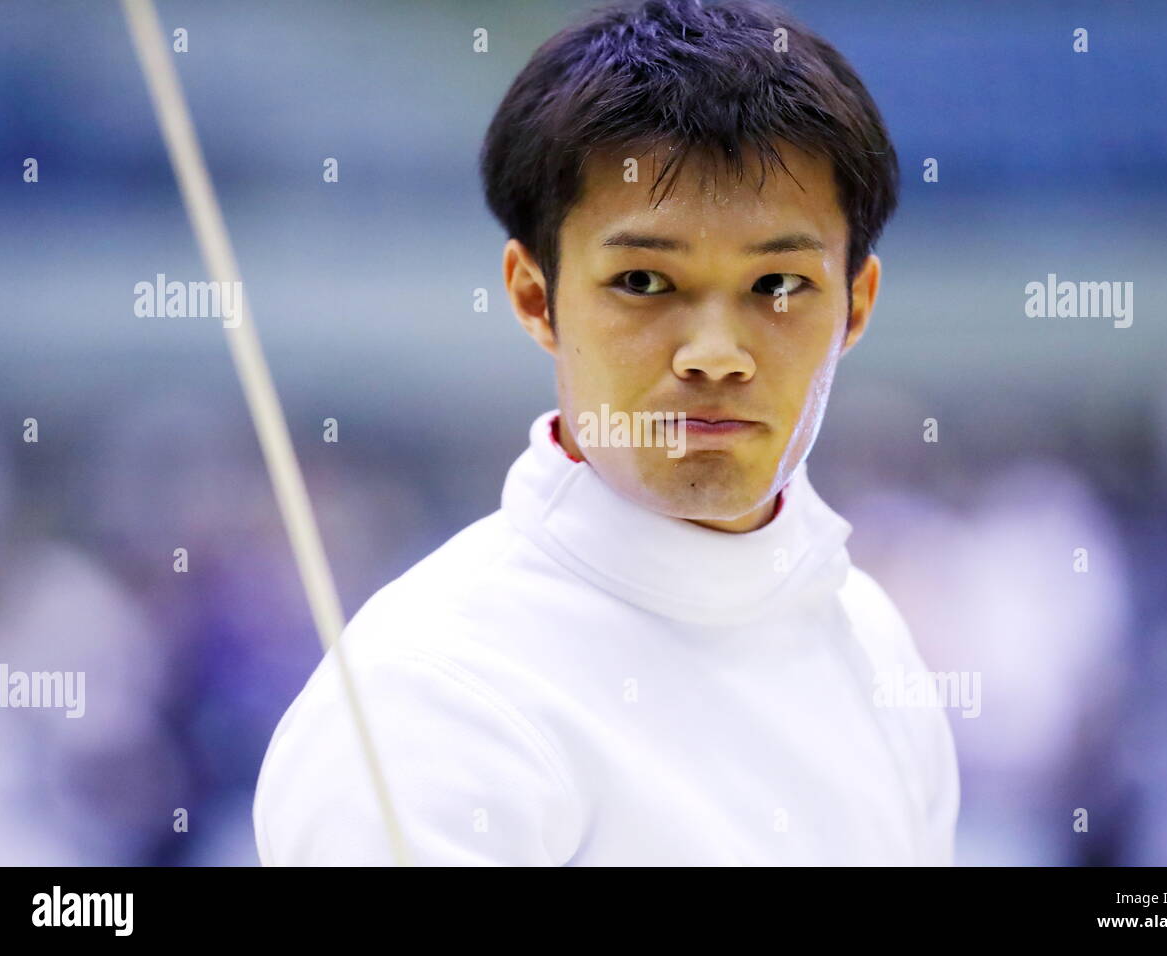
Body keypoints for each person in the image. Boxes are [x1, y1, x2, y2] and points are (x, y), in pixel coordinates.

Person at [254, 0, 959, 866]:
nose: (714, 354)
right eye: (642, 279)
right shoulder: (429, 697)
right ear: (533, 296)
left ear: (856, 304)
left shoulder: (871, 640)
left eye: (777, 284)